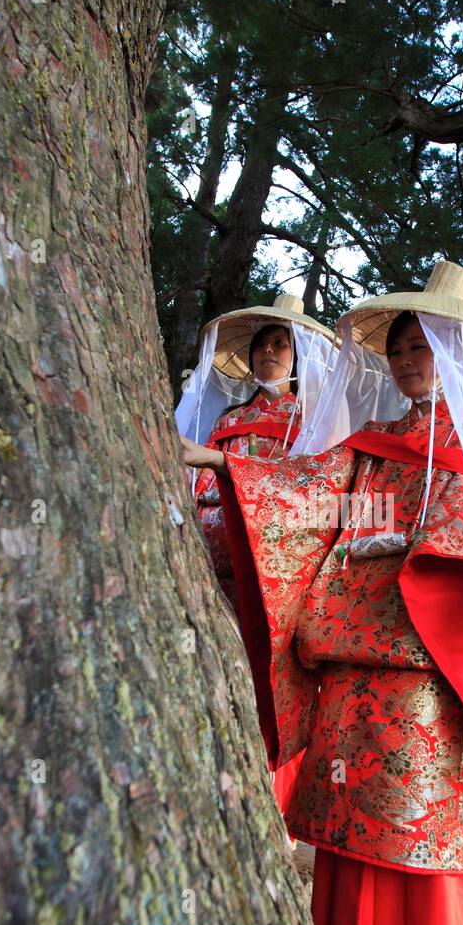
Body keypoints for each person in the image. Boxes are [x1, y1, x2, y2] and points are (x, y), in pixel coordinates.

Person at [179, 262, 463, 925]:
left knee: (417, 830)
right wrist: (219, 468)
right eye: (397, 347)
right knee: (350, 833)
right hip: (353, 656)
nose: (405, 360)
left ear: (457, 352)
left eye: (422, 346)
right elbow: (307, 492)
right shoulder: (373, 446)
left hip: (427, 661)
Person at [177, 291, 336, 815]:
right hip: (210, 568)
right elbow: (197, 477)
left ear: (299, 358)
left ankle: (268, 806)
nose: (269, 352)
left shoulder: (312, 424)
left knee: (265, 684)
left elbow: (306, 493)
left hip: (272, 575)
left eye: (281, 344)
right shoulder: (227, 418)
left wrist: (224, 468)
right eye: (262, 344)